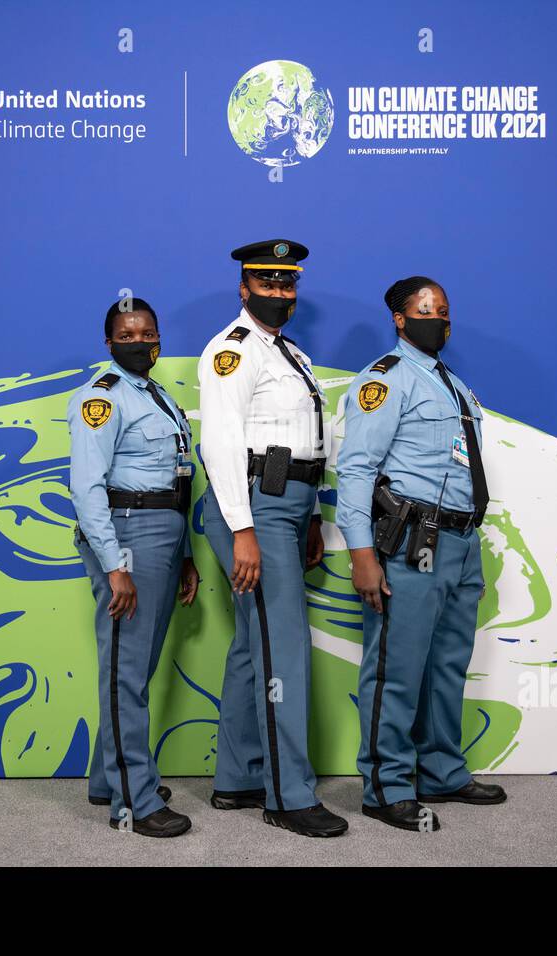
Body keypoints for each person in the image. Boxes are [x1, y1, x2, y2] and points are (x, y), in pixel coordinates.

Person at [336, 276, 508, 832]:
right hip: (412, 543)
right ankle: (385, 785)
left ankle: (440, 770)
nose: (439, 318)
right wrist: (362, 554)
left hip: (460, 542)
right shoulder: (385, 382)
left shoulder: (454, 385)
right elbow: (358, 470)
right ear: (400, 319)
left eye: (445, 310)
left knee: (446, 666)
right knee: (396, 669)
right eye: (426, 309)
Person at [197, 239, 348, 838]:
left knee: (252, 646)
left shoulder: (293, 355)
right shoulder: (231, 352)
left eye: (287, 284)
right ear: (244, 287)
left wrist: (311, 517)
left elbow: (308, 443)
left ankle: (237, 777)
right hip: (252, 505)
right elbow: (223, 443)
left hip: (289, 505)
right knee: (282, 646)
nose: (279, 293)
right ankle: (287, 795)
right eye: (267, 283)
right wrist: (244, 530)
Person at [68, 296, 200, 838]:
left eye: (147, 332)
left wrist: (187, 552)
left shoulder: (158, 397)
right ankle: (134, 799)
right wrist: (114, 563)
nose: (140, 341)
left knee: (135, 666)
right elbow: (87, 486)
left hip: (164, 535)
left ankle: (109, 776)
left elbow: (179, 478)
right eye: (127, 334)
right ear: (109, 342)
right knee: (126, 670)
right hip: (127, 535)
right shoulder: (101, 399)